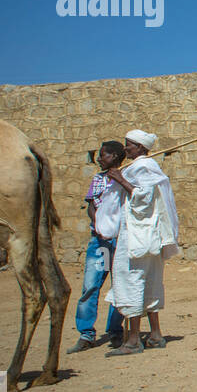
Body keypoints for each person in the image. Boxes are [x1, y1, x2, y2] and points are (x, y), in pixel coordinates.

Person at [104, 130, 180, 356]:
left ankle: (133, 340)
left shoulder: (143, 167)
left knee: (132, 282)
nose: (125, 148)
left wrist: (119, 179)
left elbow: (142, 198)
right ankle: (155, 335)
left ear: (140, 147)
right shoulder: (145, 166)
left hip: (138, 237)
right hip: (149, 236)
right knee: (150, 283)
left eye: (129, 145)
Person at [68, 140, 127, 353]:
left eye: (103, 155)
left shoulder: (126, 177)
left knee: (119, 285)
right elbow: (92, 205)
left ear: (115, 157)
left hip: (121, 241)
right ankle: (86, 333)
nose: (99, 159)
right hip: (101, 240)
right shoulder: (98, 179)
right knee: (91, 285)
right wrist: (98, 224)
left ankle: (115, 330)